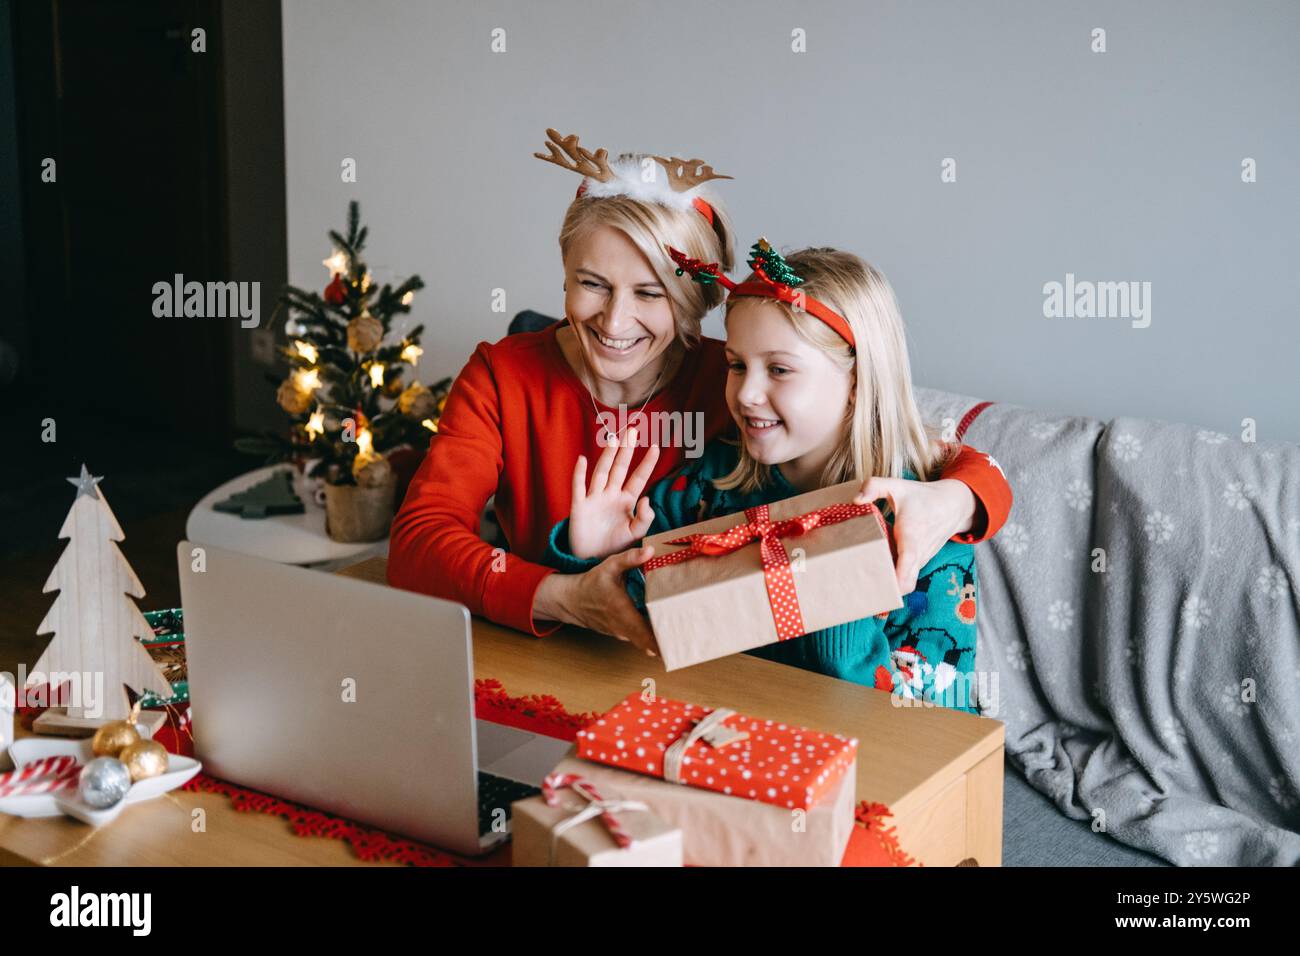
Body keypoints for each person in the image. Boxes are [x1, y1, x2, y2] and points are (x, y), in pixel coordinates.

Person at [387, 130, 1012, 655]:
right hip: (550, 651)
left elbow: (913, 447)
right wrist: (568, 594)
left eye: (651, 293)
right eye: (592, 283)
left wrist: (955, 502)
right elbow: (418, 546)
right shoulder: (504, 374)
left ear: (697, 302)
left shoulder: (736, 379)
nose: (614, 319)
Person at [545, 243, 983, 712]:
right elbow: (631, 633)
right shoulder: (709, 485)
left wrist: (841, 598)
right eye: (736, 365)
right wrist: (598, 556)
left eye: (779, 369)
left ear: (857, 383)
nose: (747, 393)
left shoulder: (921, 532)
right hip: (714, 742)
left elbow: (933, 722)